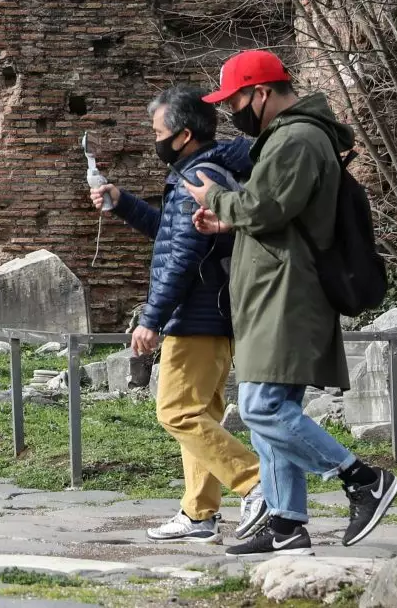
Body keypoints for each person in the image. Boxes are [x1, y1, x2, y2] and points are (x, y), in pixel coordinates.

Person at [183, 50, 397, 553]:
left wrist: (216, 198)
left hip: (287, 292)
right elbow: (276, 217)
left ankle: (362, 479)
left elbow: (267, 206)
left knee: (261, 407)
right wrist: (229, 220)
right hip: (272, 289)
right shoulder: (288, 137)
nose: (231, 110)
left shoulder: (297, 138)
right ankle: (285, 523)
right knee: (276, 407)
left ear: (260, 92)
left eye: (235, 99)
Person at [91, 86, 263, 544]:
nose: (154, 139)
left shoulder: (198, 178)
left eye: (158, 132)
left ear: (184, 135)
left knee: (175, 412)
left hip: (198, 316)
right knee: (200, 413)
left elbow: (183, 257)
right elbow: (169, 234)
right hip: (213, 314)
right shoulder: (200, 173)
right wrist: (123, 202)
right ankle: (199, 513)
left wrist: (151, 318)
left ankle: (256, 482)